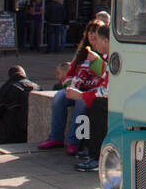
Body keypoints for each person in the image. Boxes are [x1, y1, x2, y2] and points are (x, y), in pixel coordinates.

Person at [38, 21, 103, 152]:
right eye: (90, 32)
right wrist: (69, 83)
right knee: (59, 98)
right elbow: (69, 72)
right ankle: (55, 137)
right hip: (78, 87)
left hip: (93, 90)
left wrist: (96, 61)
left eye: (95, 32)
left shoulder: (105, 52)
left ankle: (74, 141)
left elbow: (105, 74)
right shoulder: (81, 52)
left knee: (81, 103)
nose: (92, 36)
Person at [67, 22, 110, 172]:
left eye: (97, 39)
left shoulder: (109, 59)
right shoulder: (106, 57)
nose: (94, 42)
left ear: (106, 41)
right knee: (95, 104)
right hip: (97, 93)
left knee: (97, 106)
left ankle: (95, 156)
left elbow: (106, 90)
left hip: (108, 99)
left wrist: (81, 96)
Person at [0, 65, 39, 146]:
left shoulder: (7, 88)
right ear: (24, 74)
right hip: (33, 132)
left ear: (10, 76)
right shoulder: (37, 87)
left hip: (10, 134)